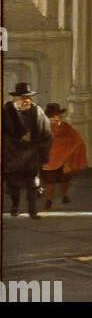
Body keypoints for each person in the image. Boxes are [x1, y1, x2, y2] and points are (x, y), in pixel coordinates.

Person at [2, 81, 52, 218]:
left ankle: (32, 211)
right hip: (13, 155)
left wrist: (42, 150)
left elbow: (47, 133)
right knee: (14, 185)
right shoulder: (6, 111)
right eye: (22, 97)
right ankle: (14, 207)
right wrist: (16, 141)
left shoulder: (38, 111)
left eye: (28, 97)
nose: (26, 100)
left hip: (32, 155)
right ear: (15, 98)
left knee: (33, 184)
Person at [42, 104, 88, 208]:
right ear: (49, 117)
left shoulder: (65, 126)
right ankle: (49, 199)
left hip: (64, 159)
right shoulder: (43, 126)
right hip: (49, 160)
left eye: (58, 116)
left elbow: (77, 139)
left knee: (65, 179)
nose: (57, 118)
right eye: (54, 116)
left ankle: (64, 195)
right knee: (49, 182)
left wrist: (69, 152)